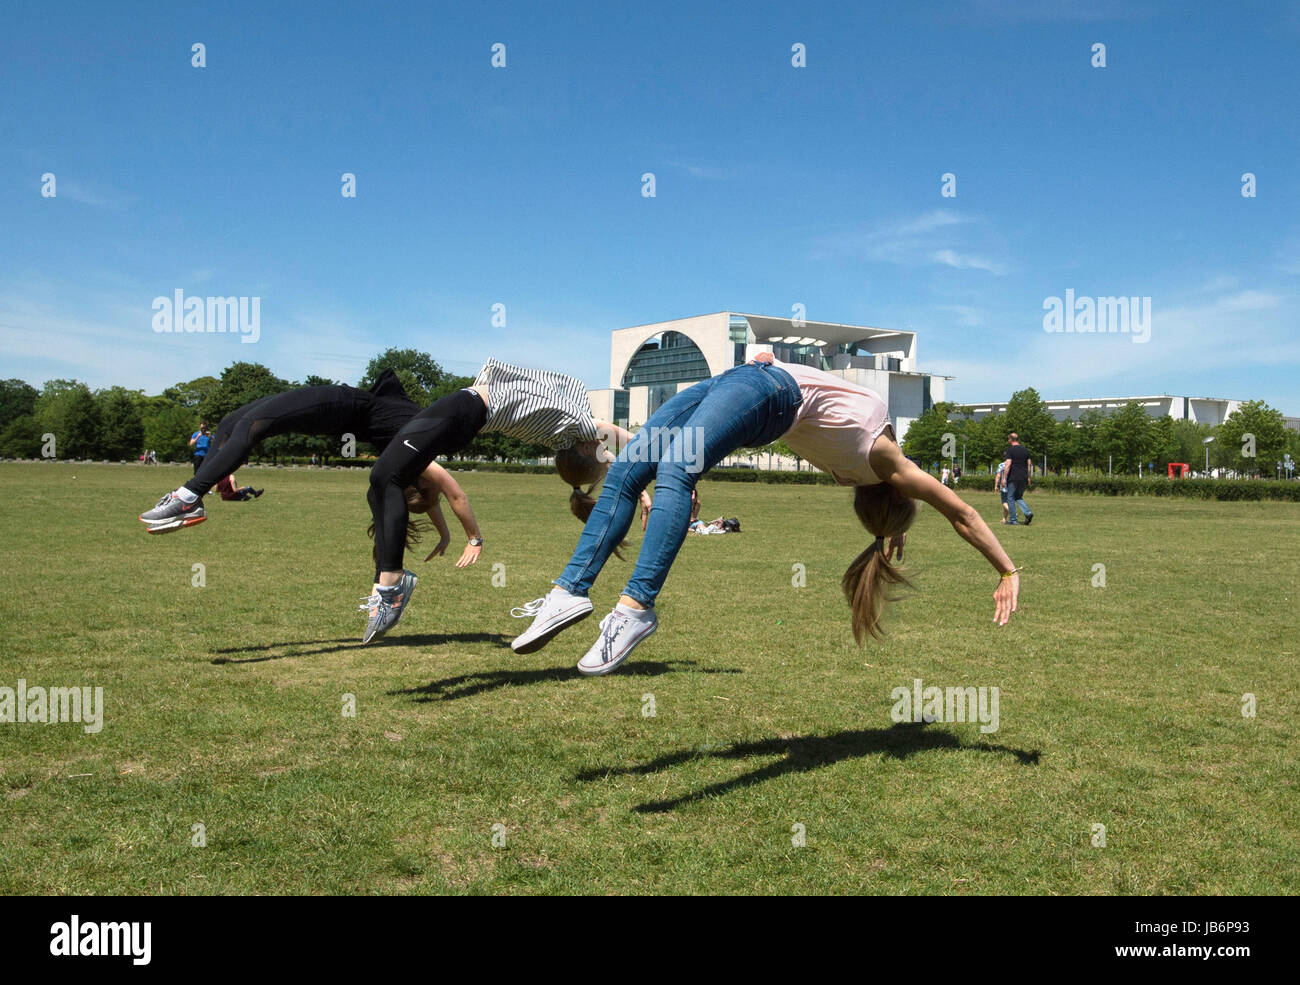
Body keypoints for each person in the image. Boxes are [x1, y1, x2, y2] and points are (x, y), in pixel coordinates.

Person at [510, 353, 1020, 676]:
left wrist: (1007, 568)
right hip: (746, 379)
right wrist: (891, 532)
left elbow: (963, 515)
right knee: (625, 473)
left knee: (675, 470)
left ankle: (635, 611)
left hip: (768, 394)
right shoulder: (864, 475)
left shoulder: (888, 462)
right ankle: (568, 593)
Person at [360, 358, 646, 643]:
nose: (603, 445)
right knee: (379, 483)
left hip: (463, 411)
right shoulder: (565, 437)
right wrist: (642, 489)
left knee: (386, 477)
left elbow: (631, 440)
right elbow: (606, 457)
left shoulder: (578, 426)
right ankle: (385, 585)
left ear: (584, 447)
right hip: (464, 416)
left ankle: (391, 583)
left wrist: (663, 453)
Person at [139, 370, 421, 534]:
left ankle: (188, 498)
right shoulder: (425, 437)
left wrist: (467, 534)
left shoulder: (418, 450)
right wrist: (454, 533)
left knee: (253, 426)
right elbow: (445, 492)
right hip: (344, 407)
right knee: (229, 423)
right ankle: (194, 496)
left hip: (344, 406)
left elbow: (449, 491)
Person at [1001, 433, 1034, 525]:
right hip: (1023, 477)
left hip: (1014, 477)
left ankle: (1013, 520)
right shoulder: (1025, 450)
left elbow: (1008, 465)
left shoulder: (1010, 450)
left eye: (1008, 439)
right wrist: (1028, 477)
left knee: (1010, 497)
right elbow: (1029, 465)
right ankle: (1028, 513)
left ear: (1010, 440)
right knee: (1018, 496)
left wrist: (1004, 478)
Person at [994, 459, 1011, 523]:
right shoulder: (1013, 464)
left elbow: (998, 476)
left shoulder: (1001, 465)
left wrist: (996, 485)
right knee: (1009, 502)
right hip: (1012, 486)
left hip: (1004, 486)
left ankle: (1013, 513)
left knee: (1004, 502)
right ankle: (1004, 519)